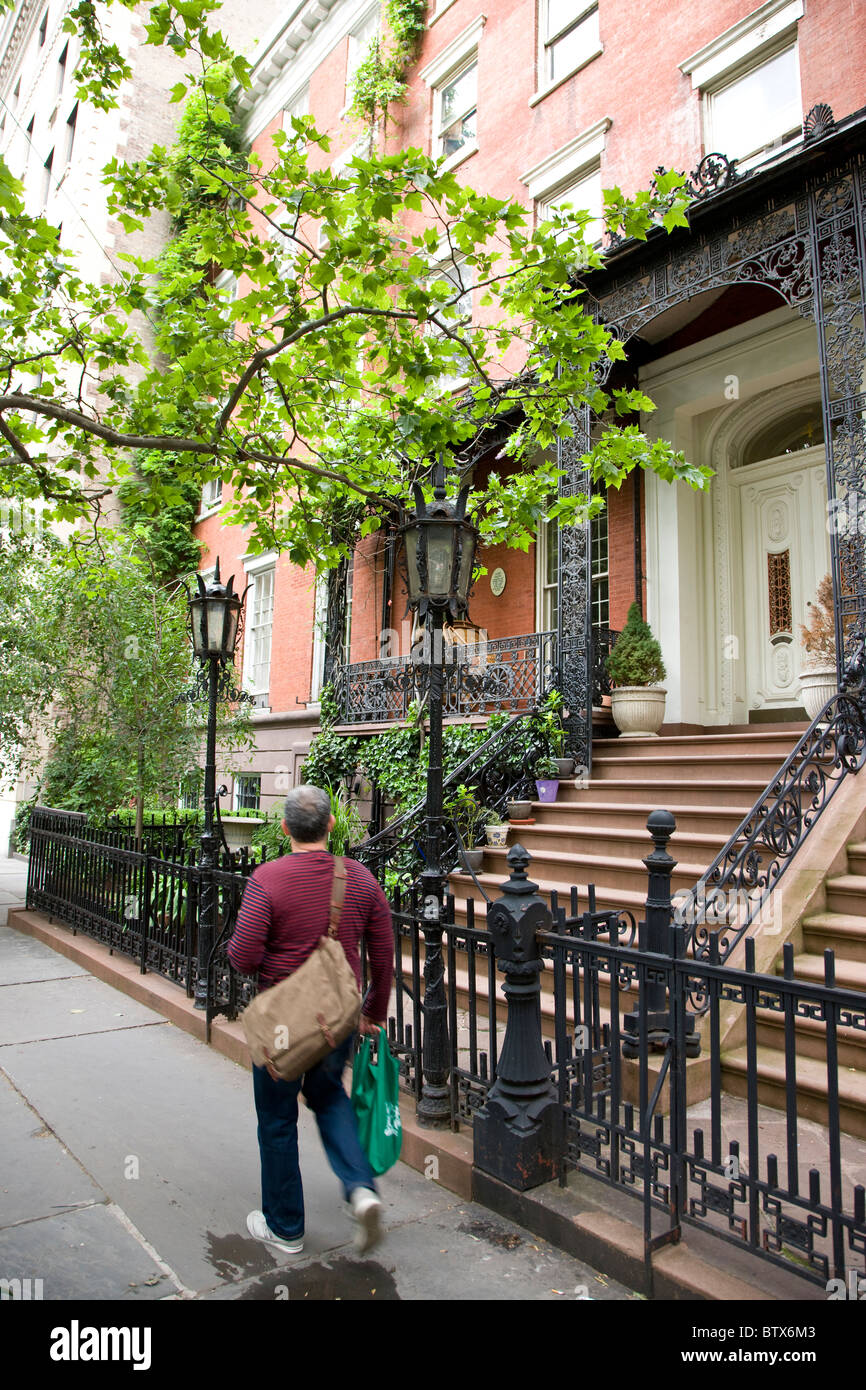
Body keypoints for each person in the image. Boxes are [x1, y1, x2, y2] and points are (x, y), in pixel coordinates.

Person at [227, 783, 394, 1257]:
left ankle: (285, 1227)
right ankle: (361, 1189)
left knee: (277, 1118)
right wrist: (372, 1011)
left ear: (285, 828)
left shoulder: (268, 879)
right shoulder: (359, 879)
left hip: (282, 1026)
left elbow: (242, 957)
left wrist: (278, 962)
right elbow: (383, 953)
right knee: (329, 1097)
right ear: (331, 824)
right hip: (336, 1021)